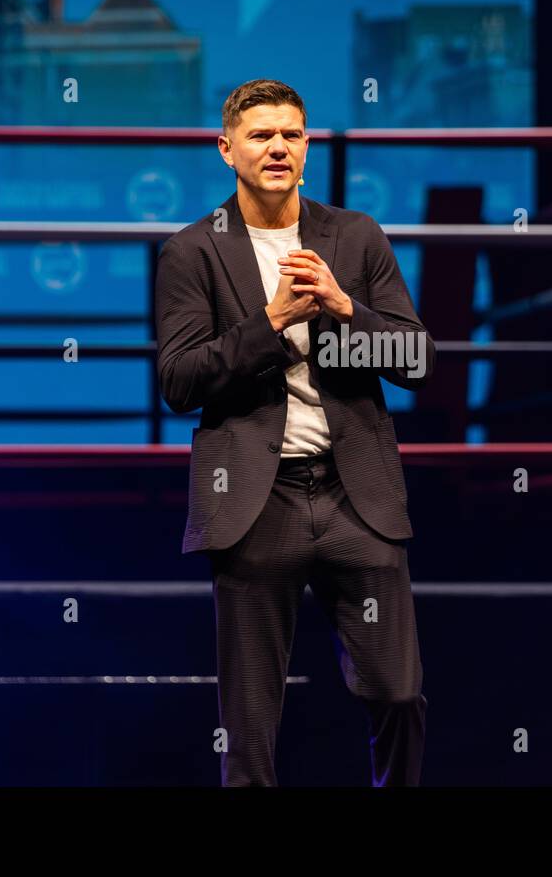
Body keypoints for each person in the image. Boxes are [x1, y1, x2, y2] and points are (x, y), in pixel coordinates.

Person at [155, 78, 434, 786]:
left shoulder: (356, 236)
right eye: (261, 134)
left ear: (307, 147)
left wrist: (344, 306)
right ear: (226, 149)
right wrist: (271, 320)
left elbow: (415, 361)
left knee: (397, 691)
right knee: (248, 729)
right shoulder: (194, 251)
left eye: (292, 134)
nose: (279, 146)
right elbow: (181, 380)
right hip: (256, 500)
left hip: (355, 495)